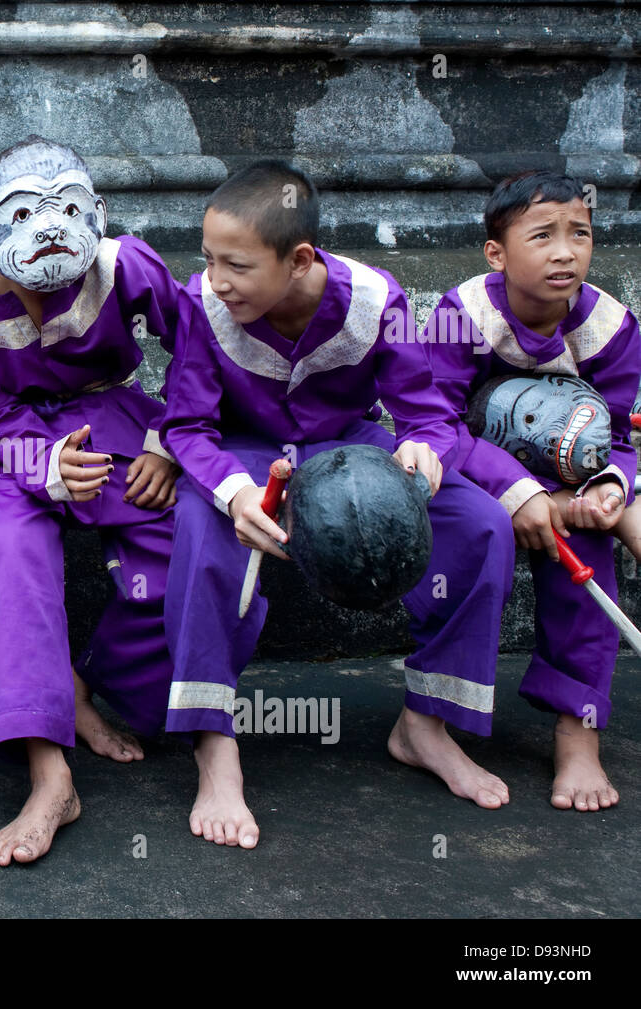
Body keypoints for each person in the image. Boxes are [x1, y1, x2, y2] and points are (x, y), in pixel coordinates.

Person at [162, 160, 515, 848]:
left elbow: (429, 413)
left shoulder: (372, 300)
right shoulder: (203, 304)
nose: (216, 278)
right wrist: (235, 491)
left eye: (235, 263)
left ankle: (426, 722)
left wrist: (425, 450)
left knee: (482, 524)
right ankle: (214, 742)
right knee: (204, 533)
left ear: (299, 259)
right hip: (245, 452)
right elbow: (186, 427)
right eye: (208, 258)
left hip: (347, 447)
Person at [0, 137, 182, 866]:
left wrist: (170, 439)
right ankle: (50, 770)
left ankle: (94, 680)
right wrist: (46, 467)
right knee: (15, 554)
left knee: (184, 543)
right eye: (23, 214)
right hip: (25, 450)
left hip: (124, 422)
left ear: (95, 214)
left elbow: (201, 349)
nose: (49, 228)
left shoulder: (127, 265)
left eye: (67, 209)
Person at [424, 170, 640, 812]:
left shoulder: (609, 325)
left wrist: (607, 489)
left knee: (591, 548)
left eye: (580, 234)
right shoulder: (464, 314)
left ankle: (578, 730)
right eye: (542, 235)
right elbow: (434, 422)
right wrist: (517, 491)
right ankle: (435, 711)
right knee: (463, 537)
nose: (565, 251)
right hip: (471, 467)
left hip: (574, 475)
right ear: (497, 253)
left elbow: (625, 433)